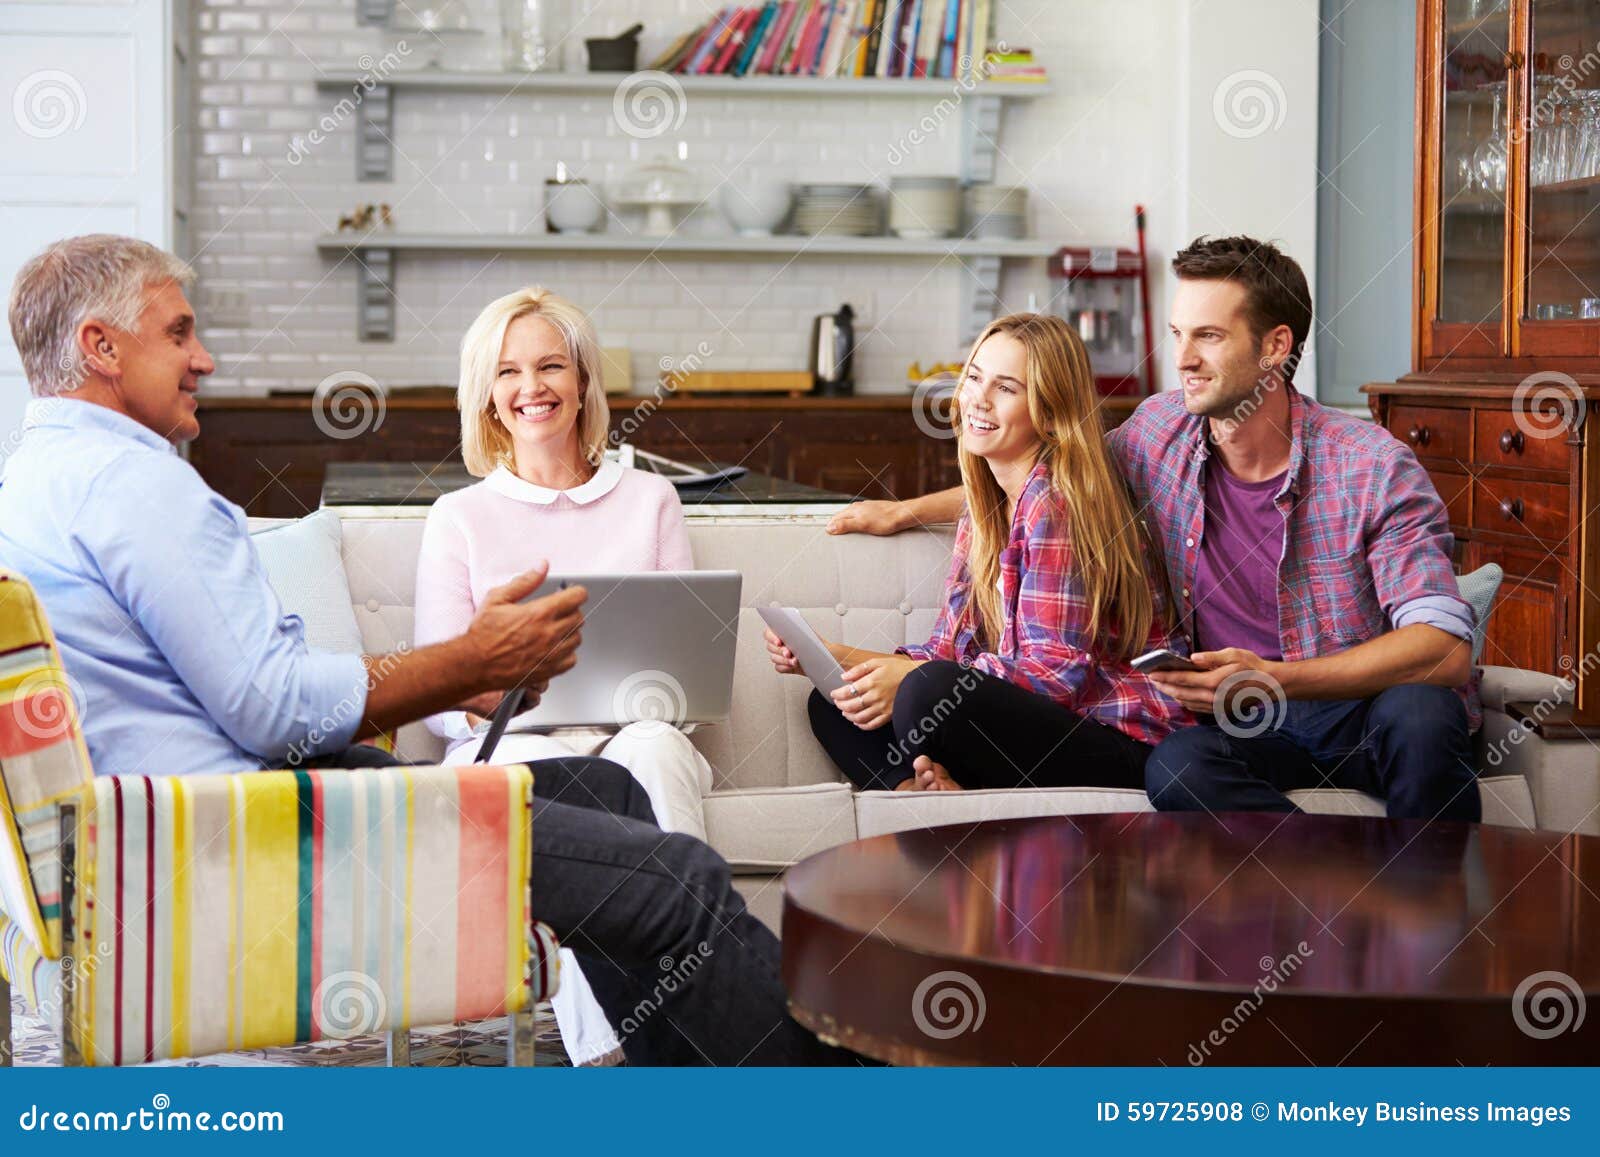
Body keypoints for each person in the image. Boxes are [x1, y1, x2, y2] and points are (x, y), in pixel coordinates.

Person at [0, 234, 853, 1065]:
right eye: (179, 332)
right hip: (254, 835)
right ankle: (834, 1108)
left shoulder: (37, 478)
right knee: (679, 879)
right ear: (101, 347)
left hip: (190, 821)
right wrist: (475, 661)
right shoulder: (136, 485)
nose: (206, 358)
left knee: (614, 788)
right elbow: (271, 709)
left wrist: (456, 676)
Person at [824, 236, 1480, 823]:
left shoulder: (1372, 466)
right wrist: (904, 511)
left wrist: (1280, 676)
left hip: (1356, 710)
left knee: (1421, 713)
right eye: (1178, 333)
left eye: (1209, 337)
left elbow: (1445, 647)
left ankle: (1433, 922)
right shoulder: (1159, 434)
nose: (1184, 359)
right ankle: (1327, 884)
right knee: (1176, 767)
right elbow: (1048, 467)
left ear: (1276, 346)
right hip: (1238, 726)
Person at [414, 286, 713, 1065]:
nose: (532, 386)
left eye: (551, 365)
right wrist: (498, 696)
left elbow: (686, 674)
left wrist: (641, 710)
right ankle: (629, 1058)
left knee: (652, 746)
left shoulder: (652, 499)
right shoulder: (459, 515)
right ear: (487, 393)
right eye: (508, 371)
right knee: (532, 779)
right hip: (510, 744)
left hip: (630, 734)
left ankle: (693, 1015)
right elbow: (442, 704)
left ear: (582, 381)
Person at [766, 313, 1189, 793]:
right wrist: (835, 658)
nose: (978, 400)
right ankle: (919, 791)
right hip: (1039, 728)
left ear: (1050, 411)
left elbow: (1054, 675)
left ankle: (925, 785)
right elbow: (946, 651)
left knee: (927, 692)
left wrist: (908, 677)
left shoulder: (1059, 503)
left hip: (1118, 744)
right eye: (973, 377)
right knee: (834, 701)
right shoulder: (986, 508)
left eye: (1007, 388)